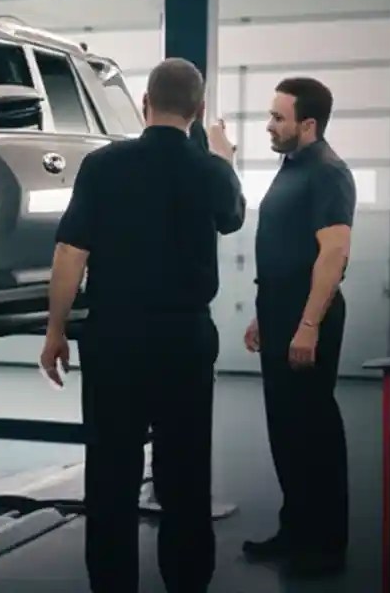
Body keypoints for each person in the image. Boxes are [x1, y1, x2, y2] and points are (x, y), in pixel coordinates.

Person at [40, 58, 245, 593]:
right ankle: (186, 582)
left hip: (114, 337)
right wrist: (224, 159)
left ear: (144, 104)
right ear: (198, 112)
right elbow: (233, 216)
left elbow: (70, 250)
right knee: (185, 471)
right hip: (185, 339)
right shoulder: (209, 169)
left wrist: (56, 329)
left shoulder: (103, 166)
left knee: (110, 473)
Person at [241, 77, 354, 577]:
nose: (269, 124)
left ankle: (326, 543)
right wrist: (264, 316)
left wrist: (308, 324)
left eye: (278, 117)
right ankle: (297, 528)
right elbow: (285, 249)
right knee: (285, 431)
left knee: (313, 431)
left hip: (309, 318)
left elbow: (333, 255)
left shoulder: (328, 173)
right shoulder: (290, 168)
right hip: (280, 312)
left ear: (308, 124)